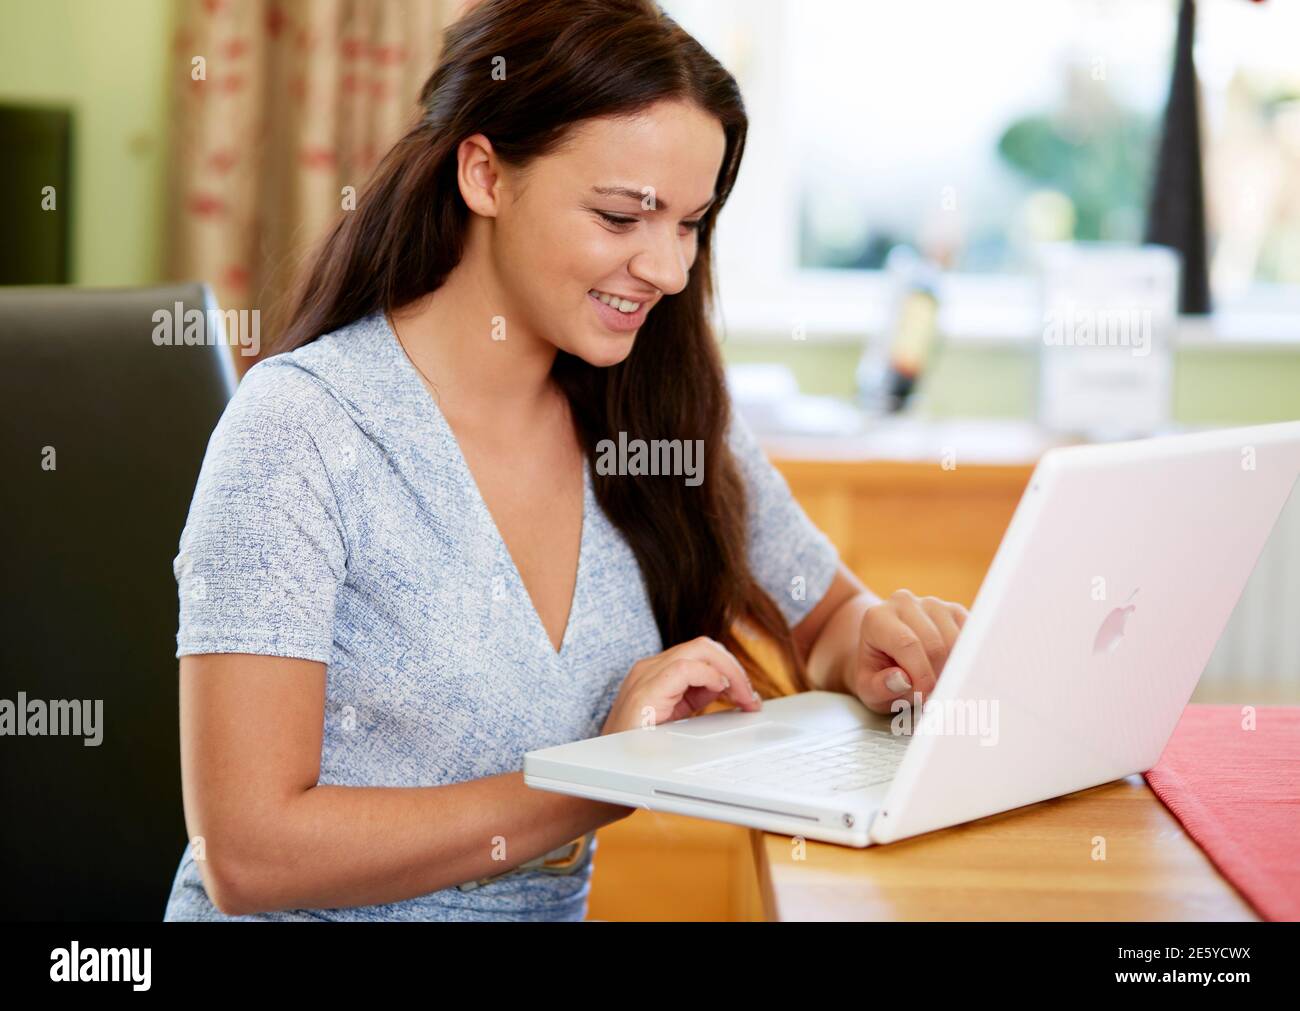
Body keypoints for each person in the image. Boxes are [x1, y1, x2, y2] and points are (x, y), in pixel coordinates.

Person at [163, 0, 968, 922]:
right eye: (624, 215)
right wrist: (599, 777)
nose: (667, 269)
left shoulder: (659, 410)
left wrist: (873, 647)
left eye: (690, 224)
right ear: (485, 175)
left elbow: (823, 621)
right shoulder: (303, 430)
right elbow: (251, 853)